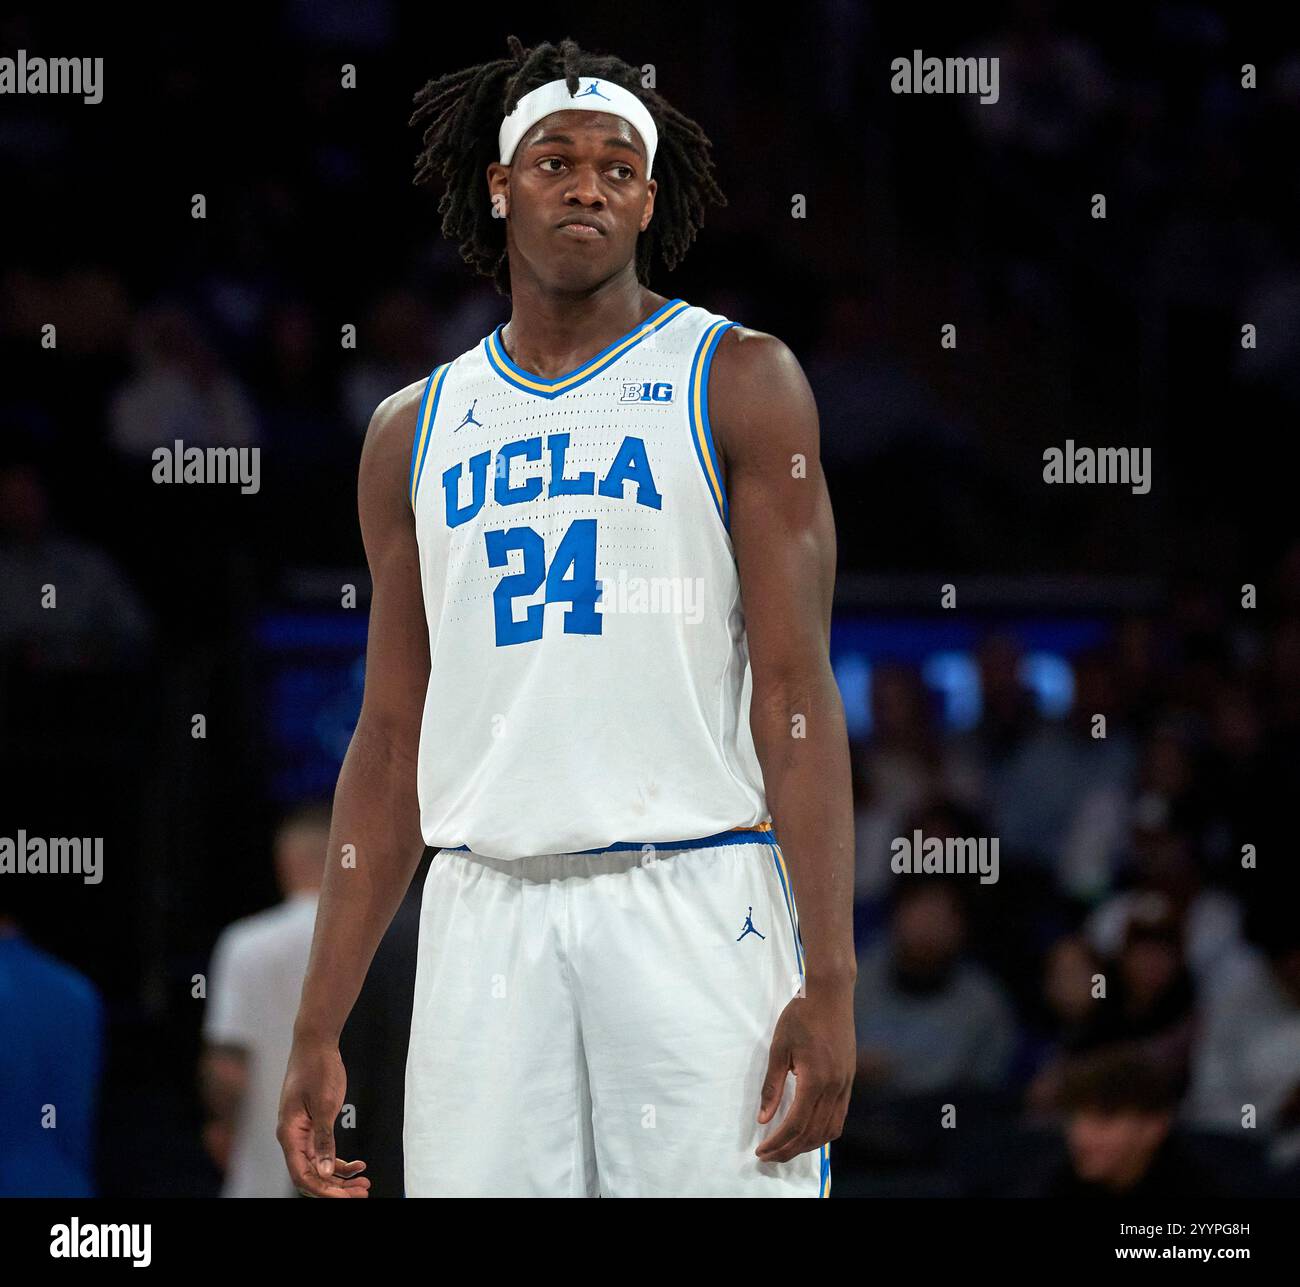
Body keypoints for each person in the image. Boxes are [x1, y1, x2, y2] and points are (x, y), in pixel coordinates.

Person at [277, 34, 855, 1198]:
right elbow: (390, 740)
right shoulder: (413, 429)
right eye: (553, 160)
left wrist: (831, 978)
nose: (586, 183)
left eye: (615, 166)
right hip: (484, 906)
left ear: (649, 199)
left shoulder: (737, 377)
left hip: (693, 894)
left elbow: (795, 694)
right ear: (498, 186)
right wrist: (318, 1017)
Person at [201, 804, 328, 1197]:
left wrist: (220, 1125)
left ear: (284, 862)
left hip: (265, 1163)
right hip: (350, 1165)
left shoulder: (247, 944)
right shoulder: (379, 944)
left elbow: (227, 1066)